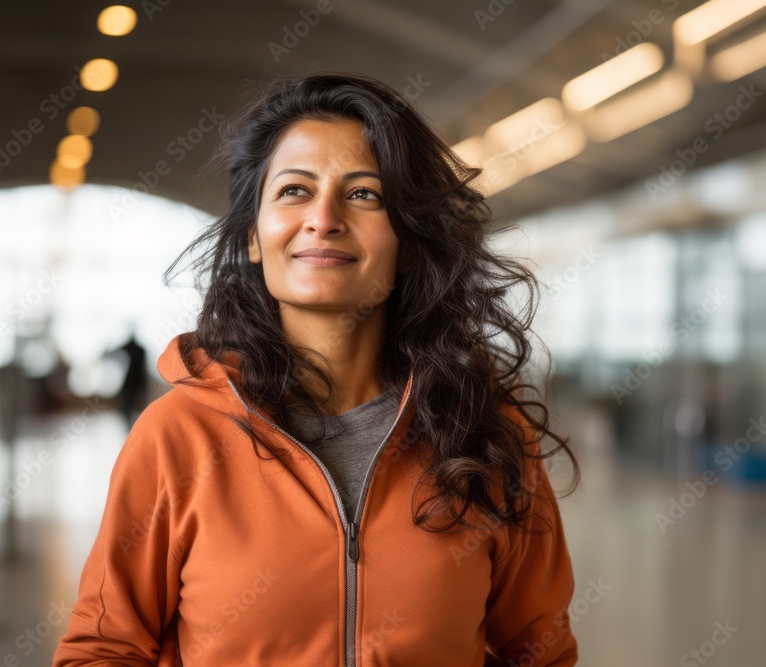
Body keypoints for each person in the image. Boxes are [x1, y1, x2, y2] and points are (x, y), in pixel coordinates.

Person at [52, 71, 581, 667]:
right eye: (294, 191)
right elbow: (102, 650)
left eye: (363, 194)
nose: (323, 218)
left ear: (408, 241)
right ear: (253, 236)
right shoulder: (177, 438)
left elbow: (539, 651)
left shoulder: (487, 437)